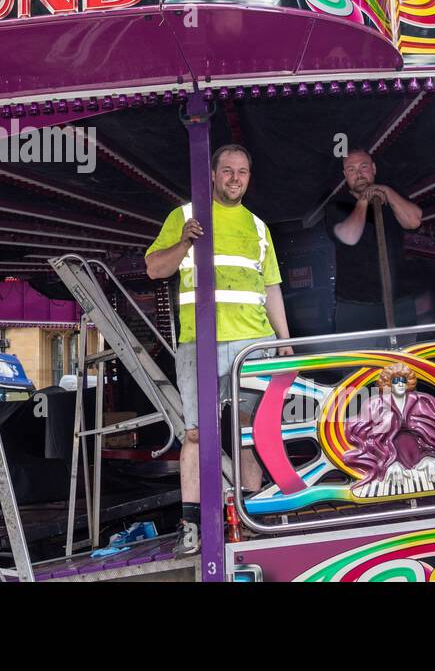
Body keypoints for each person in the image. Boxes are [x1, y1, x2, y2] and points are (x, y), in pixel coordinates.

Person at [145, 144, 292, 558]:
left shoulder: (259, 228)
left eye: (242, 172)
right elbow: (156, 268)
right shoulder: (185, 215)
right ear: (212, 174)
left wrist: (285, 341)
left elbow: (271, 288)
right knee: (195, 433)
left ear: (249, 177)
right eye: (227, 170)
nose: (234, 178)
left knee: (248, 431)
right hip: (199, 342)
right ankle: (190, 526)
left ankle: (255, 515)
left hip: (252, 342)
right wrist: (185, 243)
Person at [327, 149, 422, 339]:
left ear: (374, 168)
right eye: (351, 170)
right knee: (358, 367)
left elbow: (414, 221)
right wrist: (363, 201)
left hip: (398, 303)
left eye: (363, 167)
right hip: (354, 306)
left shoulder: (392, 196)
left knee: (403, 366)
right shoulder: (337, 205)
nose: (359, 174)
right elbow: (349, 237)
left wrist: (386, 191)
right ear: (345, 176)